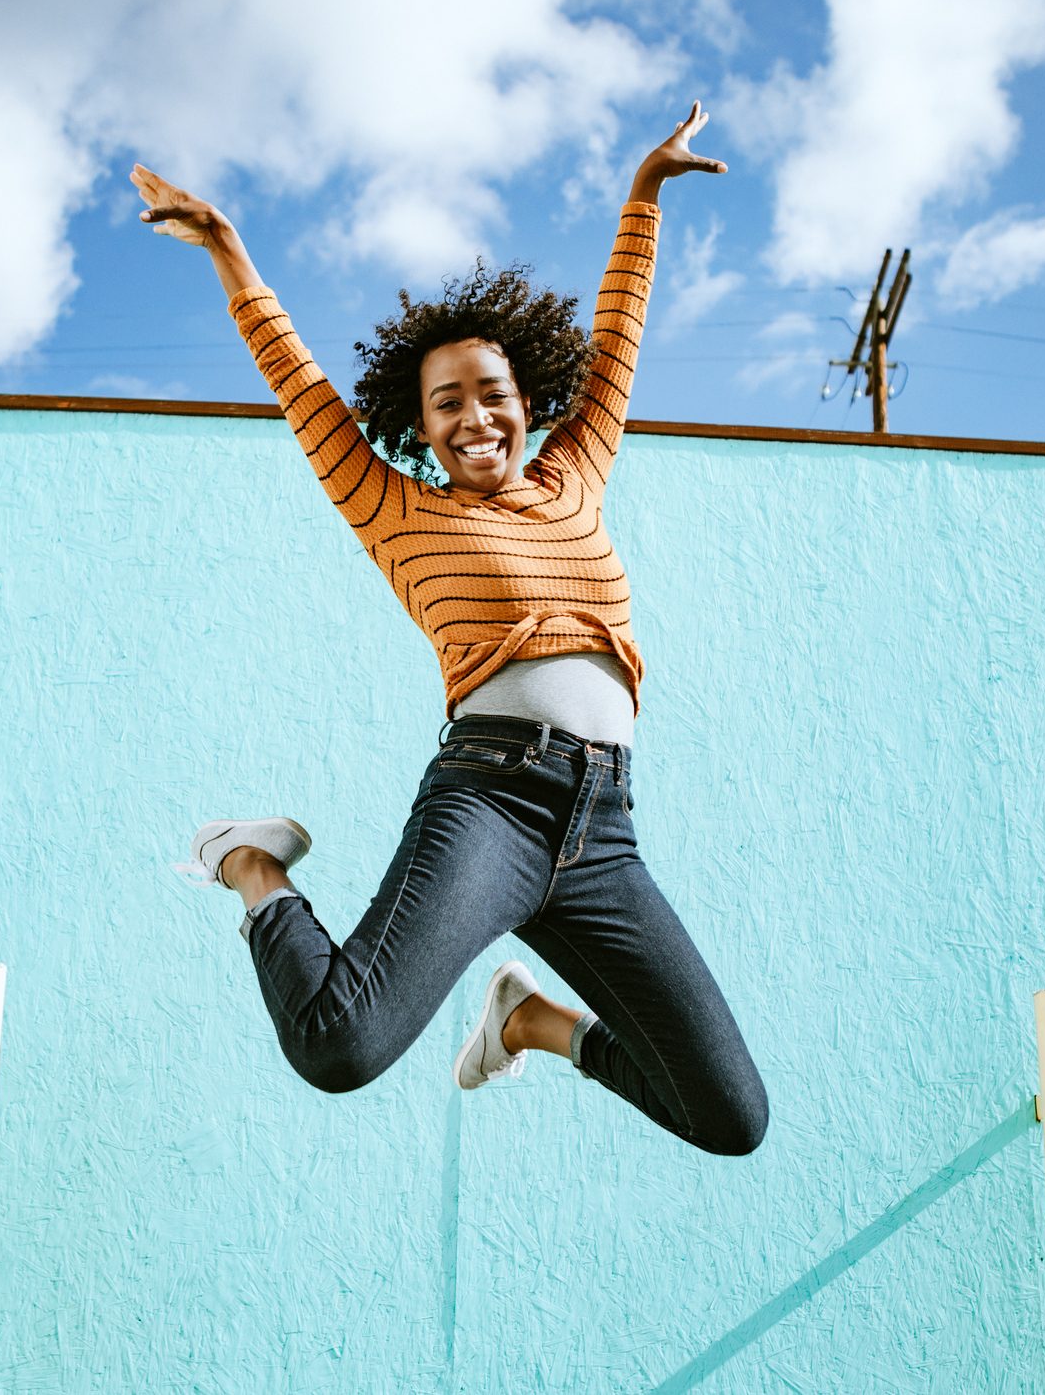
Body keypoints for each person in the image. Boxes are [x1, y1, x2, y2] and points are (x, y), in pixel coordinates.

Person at [135, 103, 766, 1156]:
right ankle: (250, 866)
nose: (476, 417)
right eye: (447, 405)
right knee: (339, 1044)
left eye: (493, 394)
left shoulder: (574, 476)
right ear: (417, 424)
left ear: (527, 400)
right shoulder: (398, 510)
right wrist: (230, 254)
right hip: (493, 802)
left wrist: (644, 194)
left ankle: (535, 1024)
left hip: (604, 829)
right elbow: (300, 388)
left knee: (728, 1114)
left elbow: (616, 341)